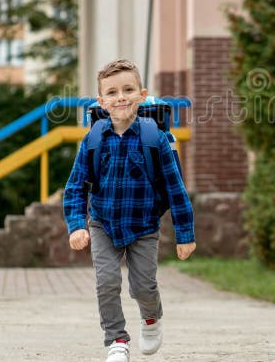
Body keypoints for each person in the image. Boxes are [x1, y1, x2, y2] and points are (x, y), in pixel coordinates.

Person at [64, 59, 197, 362]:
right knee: (106, 282)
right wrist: (77, 224)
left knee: (143, 287)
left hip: (144, 226)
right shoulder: (93, 140)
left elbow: (176, 189)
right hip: (102, 224)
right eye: (112, 92)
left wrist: (185, 234)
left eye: (128, 89)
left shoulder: (156, 139)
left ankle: (151, 319)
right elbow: (75, 187)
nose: (120, 97)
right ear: (101, 101)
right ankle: (116, 340)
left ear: (142, 94)